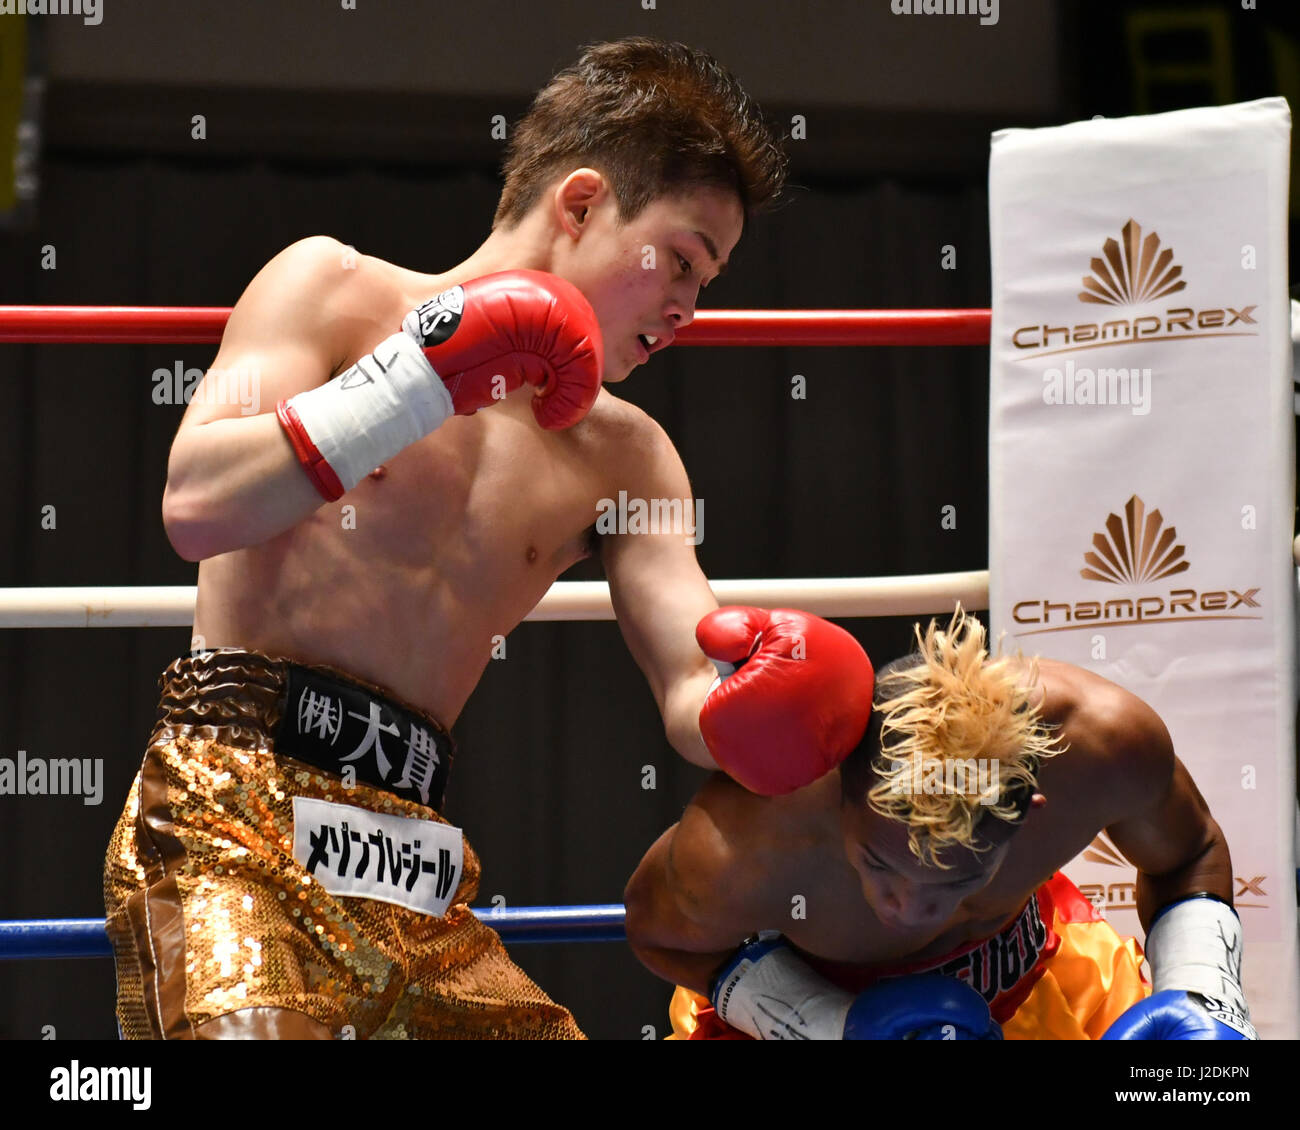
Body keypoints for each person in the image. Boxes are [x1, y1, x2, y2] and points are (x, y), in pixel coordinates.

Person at [103, 37, 876, 1040]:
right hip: (231, 812)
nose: (689, 307)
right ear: (582, 203)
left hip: (414, 858)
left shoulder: (626, 456)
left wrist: (762, 694)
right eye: (680, 260)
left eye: (709, 280)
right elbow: (197, 501)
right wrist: (417, 381)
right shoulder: (333, 290)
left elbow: (691, 674)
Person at [625, 606, 1256, 1040]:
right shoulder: (752, 837)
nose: (911, 908)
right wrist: (828, 1022)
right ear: (842, 797)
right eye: (879, 864)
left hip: (1041, 990)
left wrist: (1205, 996)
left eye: (960, 879)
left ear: (1028, 816)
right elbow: (660, 936)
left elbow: (1189, 852)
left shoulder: (1101, 745)